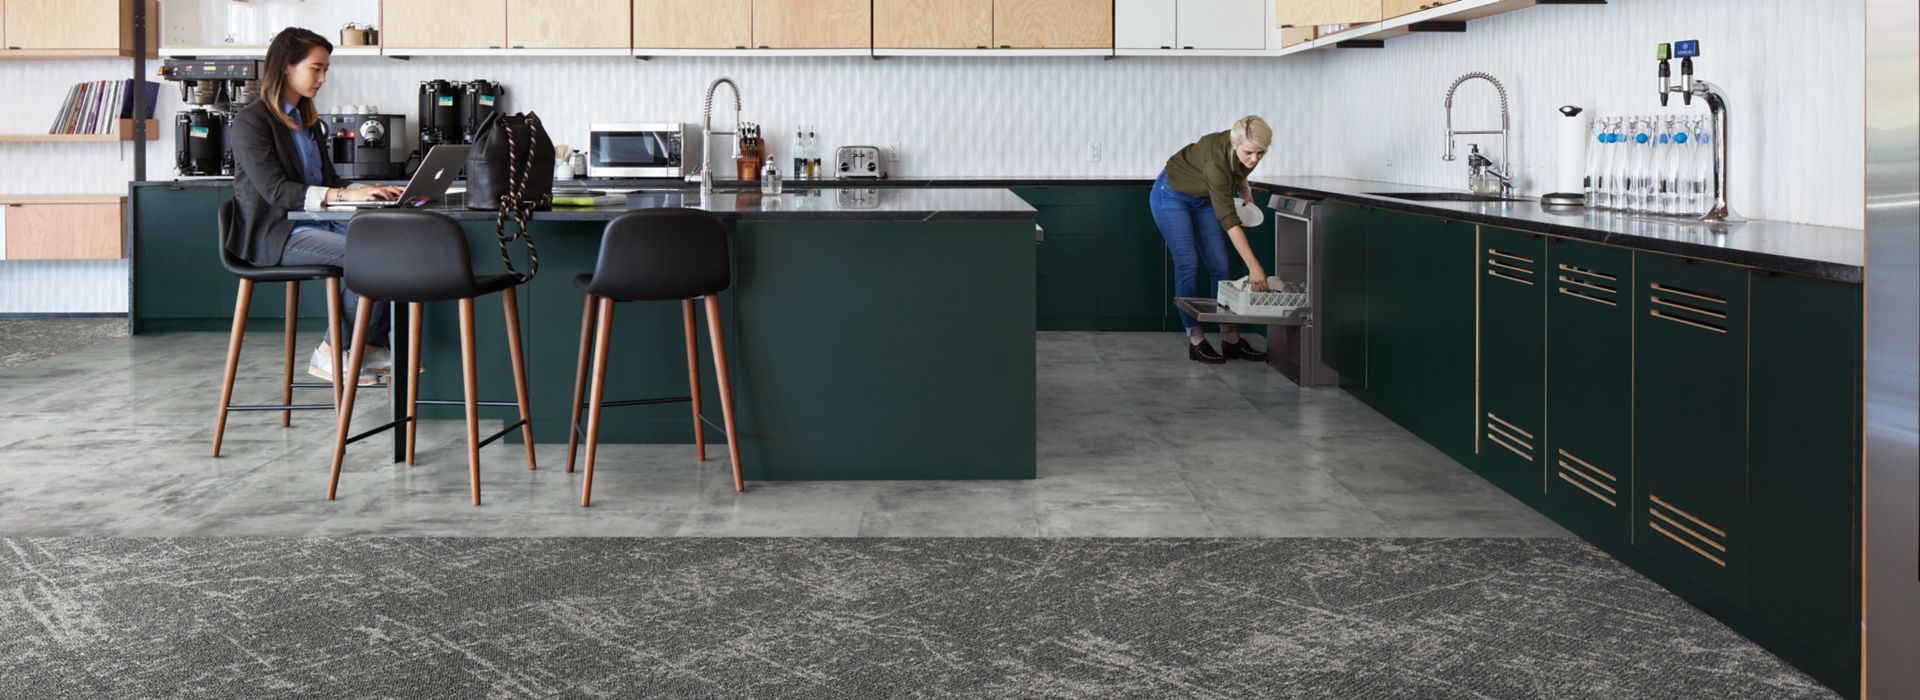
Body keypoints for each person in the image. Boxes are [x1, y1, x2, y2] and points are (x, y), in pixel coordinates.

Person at [228, 27, 403, 382]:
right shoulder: (252, 122)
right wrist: (344, 196)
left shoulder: (307, 121)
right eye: (316, 68)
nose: (323, 78)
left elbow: (327, 183)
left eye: (326, 70)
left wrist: (367, 189)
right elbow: (277, 191)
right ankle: (330, 351)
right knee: (367, 254)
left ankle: (367, 348)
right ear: (285, 68)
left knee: (394, 242)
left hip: (314, 224)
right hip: (276, 232)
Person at [1150, 116, 1273, 364]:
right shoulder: (1216, 160)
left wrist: (1244, 187)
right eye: (1249, 153)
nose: (1254, 159)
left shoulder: (1247, 149)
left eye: (1261, 154)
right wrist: (1254, 267)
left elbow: (1238, 169)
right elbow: (1229, 219)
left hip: (1203, 197)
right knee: (1187, 264)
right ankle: (1196, 340)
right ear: (1234, 142)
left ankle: (1231, 339)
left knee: (1221, 266)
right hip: (1171, 195)